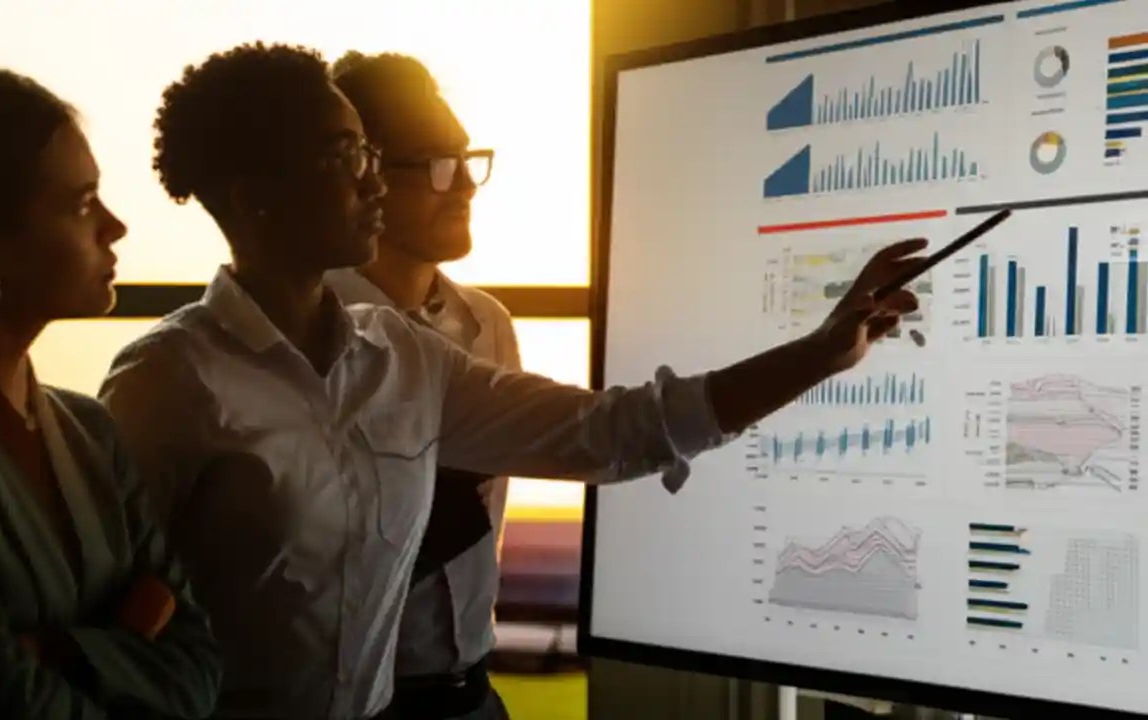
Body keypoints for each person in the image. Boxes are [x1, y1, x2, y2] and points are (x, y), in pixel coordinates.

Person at [98, 42, 923, 720]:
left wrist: (819, 353)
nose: (372, 179)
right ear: (254, 198)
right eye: (344, 156)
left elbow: (613, 431)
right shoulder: (169, 380)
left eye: (371, 154)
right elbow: (110, 626)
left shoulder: (403, 358)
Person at [0, 63, 222, 718]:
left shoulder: (89, 431)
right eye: (82, 204)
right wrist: (123, 642)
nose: (115, 226)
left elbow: (198, 658)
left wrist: (56, 652)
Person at [328, 51, 516, 720]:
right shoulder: (305, 339)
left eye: (467, 159)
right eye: (438, 163)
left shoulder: (487, 326)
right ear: (366, 174)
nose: (464, 184)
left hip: (475, 692)